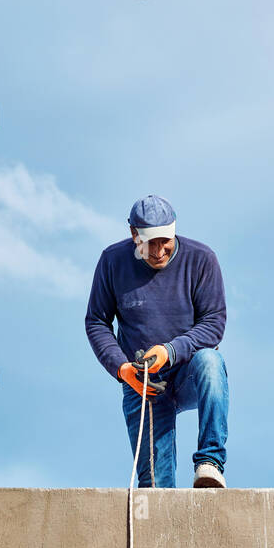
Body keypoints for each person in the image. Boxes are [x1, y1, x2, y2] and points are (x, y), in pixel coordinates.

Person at [85, 194, 229, 488]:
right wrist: (122, 369)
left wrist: (170, 351)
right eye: (150, 242)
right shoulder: (112, 262)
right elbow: (97, 321)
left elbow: (214, 322)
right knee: (156, 490)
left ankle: (210, 462)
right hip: (142, 381)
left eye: (166, 240)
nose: (160, 250)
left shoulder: (202, 259)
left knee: (211, 361)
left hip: (188, 371)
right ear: (133, 234)